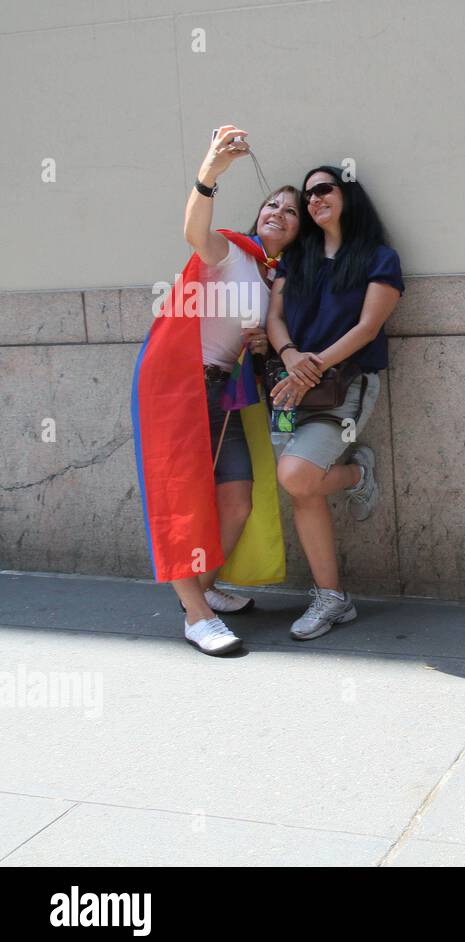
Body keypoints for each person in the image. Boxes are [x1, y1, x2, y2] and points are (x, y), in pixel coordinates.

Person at [132, 124, 298, 656]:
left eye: (290, 212)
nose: (279, 213)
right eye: (273, 205)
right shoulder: (230, 249)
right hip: (179, 389)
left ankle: (198, 593)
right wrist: (210, 174)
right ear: (258, 216)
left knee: (237, 501)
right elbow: (193, 234)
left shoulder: (269, 276)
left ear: (297, 234)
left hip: (221, 392)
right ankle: (197, 616)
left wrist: (256, 344)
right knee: (182, 500)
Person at [264, 165, 403, 640]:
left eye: (324, 189)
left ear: (347, 195)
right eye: (307, 196)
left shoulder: (378, 258)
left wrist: (313, 366)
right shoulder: (297, 258)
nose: (314, 199)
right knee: (303, 489)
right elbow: (275, 316)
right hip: (290, 385)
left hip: (344, 386)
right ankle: (332, 598)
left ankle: (357, 472)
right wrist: (290, 356)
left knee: (297, 476)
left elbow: (367, 327)